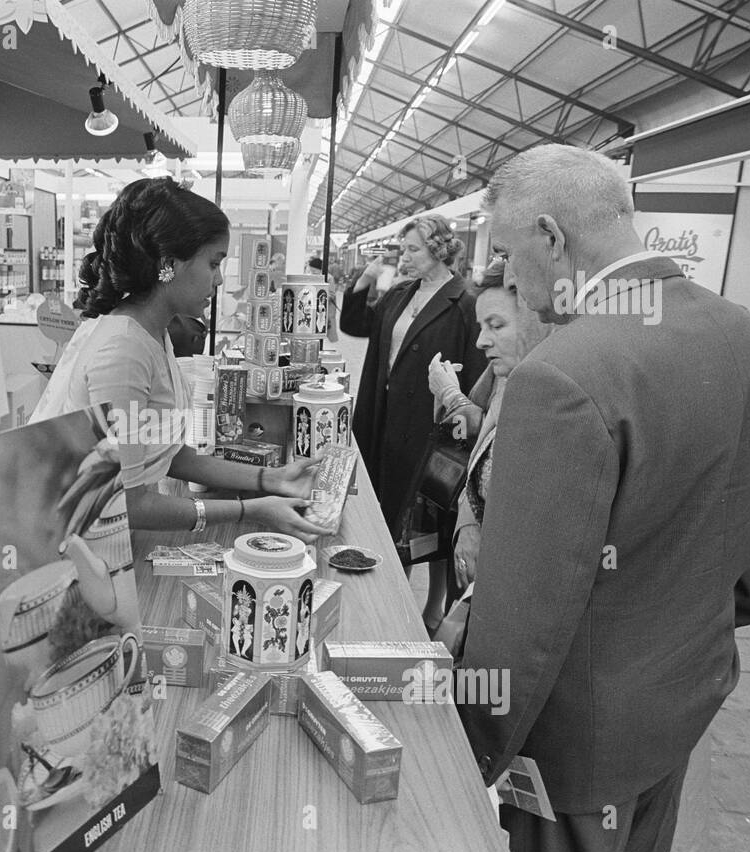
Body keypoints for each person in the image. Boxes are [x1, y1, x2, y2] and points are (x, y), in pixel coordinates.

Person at [460, 144, 750, 852]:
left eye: (511, 255)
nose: (512, 281)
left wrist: (473, 746)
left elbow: (526, 617)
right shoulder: (742, 333)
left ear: (552, 236)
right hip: (678, 706)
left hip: (575, 749)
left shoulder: (561, 374)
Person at [30, 178, 321, 541]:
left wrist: (270, 478)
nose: (218, 280)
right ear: (169, 264)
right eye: (214, 263)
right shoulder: (124, 351)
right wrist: (250, 511)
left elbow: (169, 455)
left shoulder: (152, 331)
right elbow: (130, 504)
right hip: (81, 549)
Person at [339, 215, 487, 630]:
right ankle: (391, 600)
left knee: (430, 516)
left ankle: (431, 605)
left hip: (429, 426)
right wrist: (364, 281)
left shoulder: (465, 304)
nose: (404, 257)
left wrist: (462, 425)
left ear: (438, 250)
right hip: (388, 418)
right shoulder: (401, 294)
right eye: (402, 249)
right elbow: (354, 325)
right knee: (393, 511)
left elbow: (475, 375)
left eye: (413, 250)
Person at [427, 259, 555, 589]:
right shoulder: (500, 376)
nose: (481, 341)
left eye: (496, 326)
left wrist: (450, 395)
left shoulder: (551, 394)